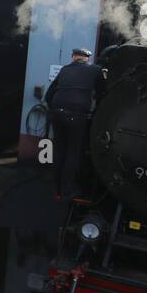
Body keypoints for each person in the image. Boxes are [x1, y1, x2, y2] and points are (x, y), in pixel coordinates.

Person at [44, 47, 104, 199]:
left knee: (59, 151)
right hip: (77, 116)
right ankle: (67, 191)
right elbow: (103, 93)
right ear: (87, 58)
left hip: (57, 114)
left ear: (73, 57)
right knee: (73, 153)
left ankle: (56, 188)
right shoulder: (96, 70)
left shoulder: (64, 70)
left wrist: (56, 110)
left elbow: (48, 95)